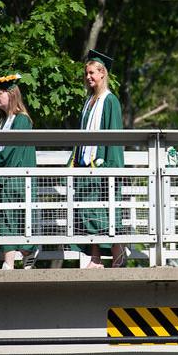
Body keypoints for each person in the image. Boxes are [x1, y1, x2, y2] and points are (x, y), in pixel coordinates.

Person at [68, 49, 126, 268]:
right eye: (87, 73)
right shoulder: (89, 101)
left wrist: (112, 167)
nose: (88, 77)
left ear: (103, 74)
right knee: (89, 213)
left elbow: (115, 136)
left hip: (103, 166)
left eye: (92, 73)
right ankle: (95, 259)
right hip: (85, 166)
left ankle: (119, 256)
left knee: (107, 213)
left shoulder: (110, 101)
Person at [0, 74, 40, 269]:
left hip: (18, 179)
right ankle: (13, 260)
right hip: (4, 179)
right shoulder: (3, 122)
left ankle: (18, 257)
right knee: (5, 218)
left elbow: (9, 154)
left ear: (11, 94)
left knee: (14, 219)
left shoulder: (21, 120)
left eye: (0, 92)